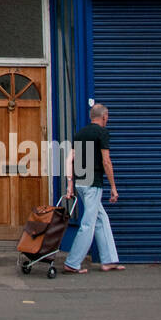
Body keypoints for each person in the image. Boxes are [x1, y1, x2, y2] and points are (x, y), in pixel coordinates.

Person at [62, 101, 124, 273]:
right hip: (92, 184)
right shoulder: (102, 133)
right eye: (107, 117)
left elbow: (70, 159)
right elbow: (106, 161)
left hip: (81, 183)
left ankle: (109, 260)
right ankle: (72, 263)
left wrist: (70, 184)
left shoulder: (81, 133)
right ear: (104, 117)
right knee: (88, 224)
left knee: (100, 219)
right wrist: (113, 187)